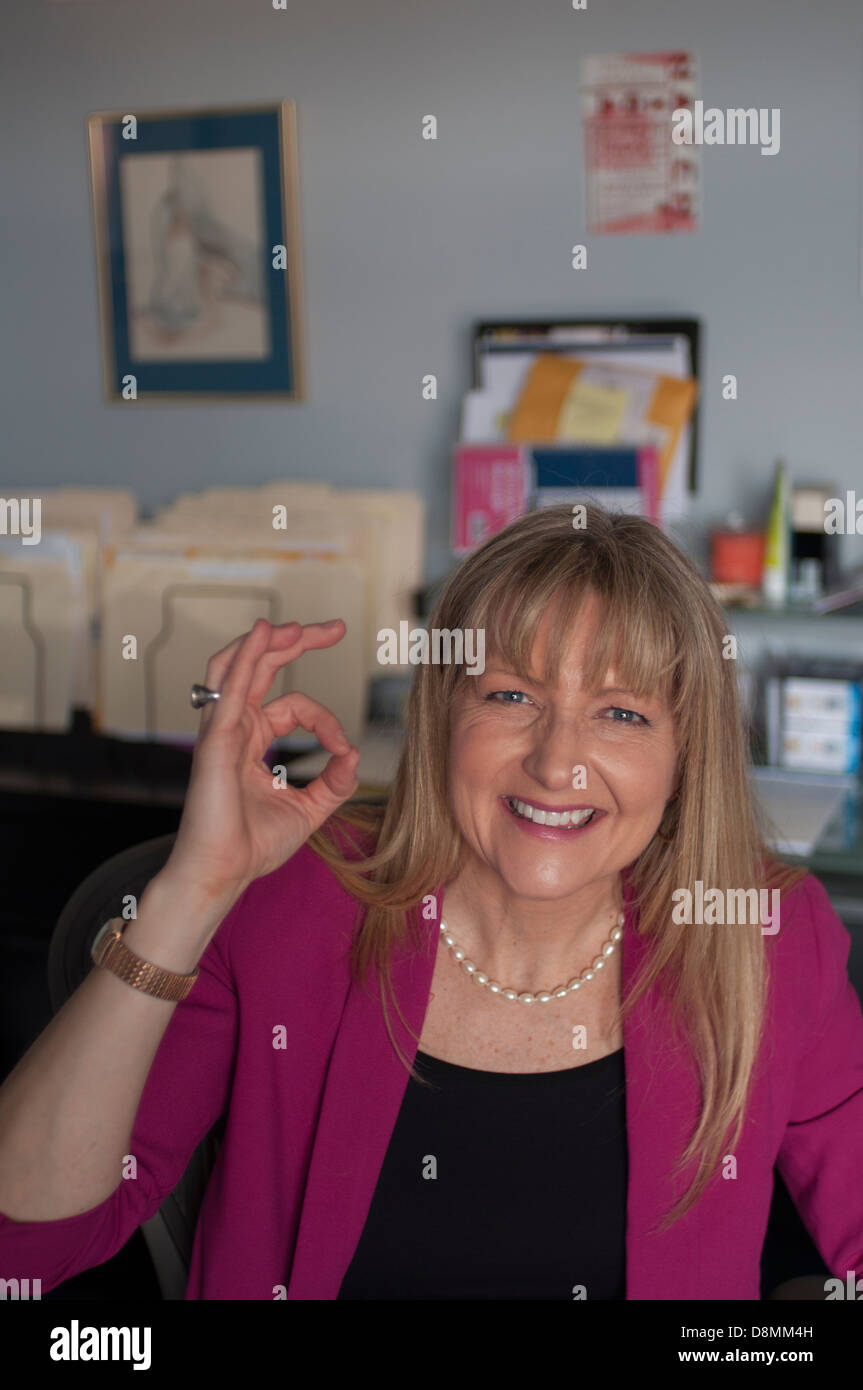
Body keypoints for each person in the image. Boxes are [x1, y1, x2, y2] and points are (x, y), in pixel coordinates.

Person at [1, 503, 861, 1300]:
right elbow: (25, 1244)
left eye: (620, 714)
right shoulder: (289, 908)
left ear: (684, 757)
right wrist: (193, 890)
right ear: (442, 712)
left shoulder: (767, 938)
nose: (557, 761)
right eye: (510, 695)